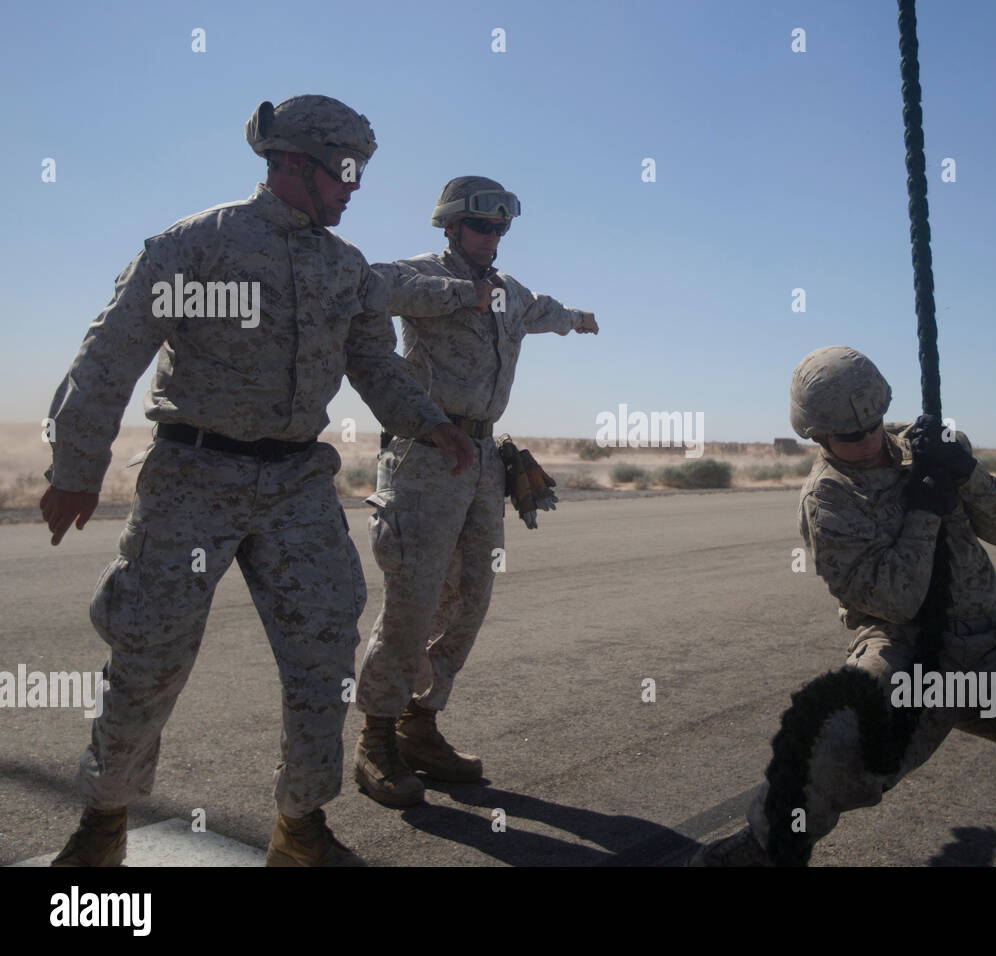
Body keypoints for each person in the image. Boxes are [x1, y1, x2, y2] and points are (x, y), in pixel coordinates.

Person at [40, 94, 475, 867]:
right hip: (192, 475)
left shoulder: (346, 269)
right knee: (148, 656)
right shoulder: (196, 245)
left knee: (322, 654)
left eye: (361, 171)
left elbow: (375, 362)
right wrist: (77, 468)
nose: (355, 187)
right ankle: (103, 823)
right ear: (290, 163)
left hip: (295, 483)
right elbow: (110, 353)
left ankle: (300, 827)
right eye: (346, 170)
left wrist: (428, 420)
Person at [692, 346, 996, 866]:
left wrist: (966, 471)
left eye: (874, 426)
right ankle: (762, 848)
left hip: (986, 647)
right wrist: (925, 511)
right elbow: (896, 600)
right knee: (833, 742)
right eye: (848, 435)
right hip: (904, 651)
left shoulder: (929, 445)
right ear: (816, 435)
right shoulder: (829, 499)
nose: (866, 440)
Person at [353, 176, 598, 806]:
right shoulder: (421, 275)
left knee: (469, 599)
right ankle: (376, 738)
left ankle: (420, 723)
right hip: (426, 453)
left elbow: (544, 309)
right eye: (481, 227)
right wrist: (460, 295)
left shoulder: (511, 293)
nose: (491, 238)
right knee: (413, 598)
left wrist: (576, 321)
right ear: (451, 226)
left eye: (500, 229)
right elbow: (372, 286)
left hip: (483, 459)